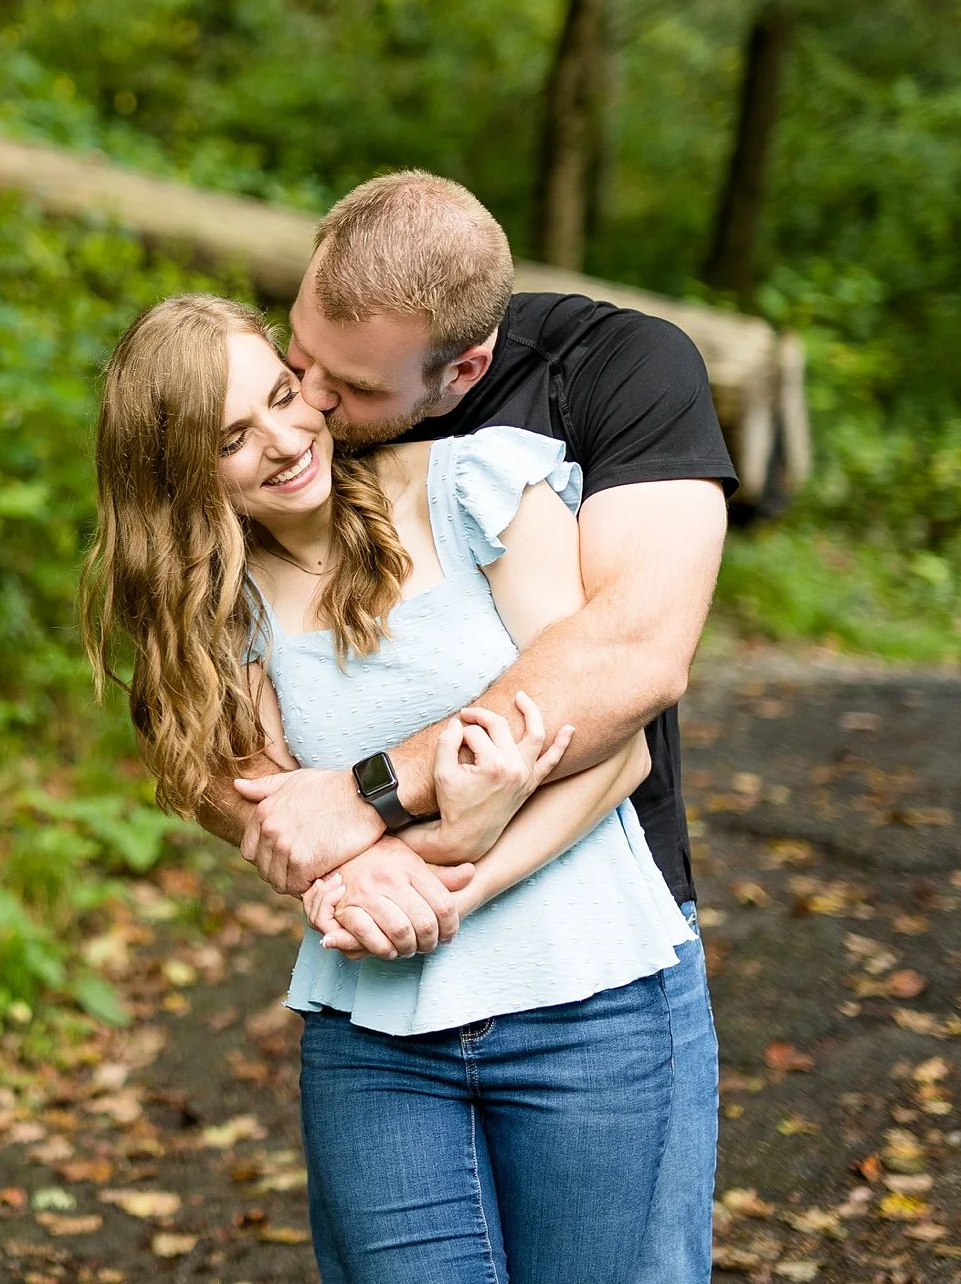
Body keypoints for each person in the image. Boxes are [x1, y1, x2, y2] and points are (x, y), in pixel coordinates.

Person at [83, 291, 701, 1282]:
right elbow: (264, 808)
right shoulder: (222, 610)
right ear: (177, 475)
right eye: (233, 436)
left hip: (582, 1001)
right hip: (375, 1035)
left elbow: (620, 751)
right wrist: (340, 879)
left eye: (286, 396)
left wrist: (451, 864)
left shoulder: (475, 487)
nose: (286, 439)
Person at [234, 170, 730, 1282]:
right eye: (295, 356)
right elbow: (192, 679)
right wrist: (319, 863)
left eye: (345, 388)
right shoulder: (281, 420)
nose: (306, 401)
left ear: (460, 371)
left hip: (594, 921)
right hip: (380, 984)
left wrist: (383, 808)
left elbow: (634, 656)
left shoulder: (620, 373)